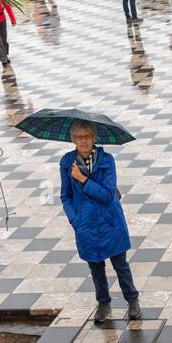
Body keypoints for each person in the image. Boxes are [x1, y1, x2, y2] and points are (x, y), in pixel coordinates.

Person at [60, 121, 141, 322]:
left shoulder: (107, 160)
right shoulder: (66, 162)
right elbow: (65, 196)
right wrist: (75, 220)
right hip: (85, 224)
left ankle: (132, 300)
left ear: (94, 137)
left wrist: (83, 180)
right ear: (73, 140)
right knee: (96, 268)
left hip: (110, 221)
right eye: (79, 137)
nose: (83, 140)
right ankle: (103, 304)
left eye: (87, 136)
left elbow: (107, 195)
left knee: (120, 265)